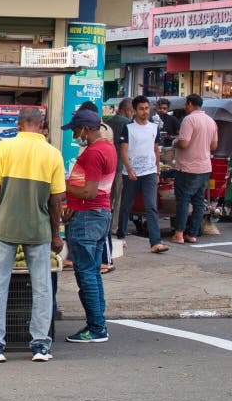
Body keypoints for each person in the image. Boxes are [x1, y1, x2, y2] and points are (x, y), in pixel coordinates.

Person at [0, 107, 65, 363]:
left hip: (5, 228)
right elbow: (56, 201)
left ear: (18, 124)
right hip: (38, 230)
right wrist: (56, 234)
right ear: (42, 124)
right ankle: (40, 346)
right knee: (42, 288)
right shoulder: (53, 154)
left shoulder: (4, 148)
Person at [62, 109, 117, 344]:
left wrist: (63, 185)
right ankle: (98, 323)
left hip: (87, 218)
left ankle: (96, 327)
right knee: (92, 272)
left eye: (75, 130)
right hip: (96, 215)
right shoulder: (108, 148)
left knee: (86, 273)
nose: (75, 135)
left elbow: (89, 191)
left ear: (85, 128)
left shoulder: (94, 153)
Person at [116, 96, 169, 254]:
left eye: (147, 108)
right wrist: (129, 168)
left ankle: (156, 242)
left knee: (151, 206)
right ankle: (120, 237)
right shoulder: (128, 128)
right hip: (131, 173)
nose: (145, 111)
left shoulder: (154, 128)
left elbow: (156, 150)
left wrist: (158, 171)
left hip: (150, 172)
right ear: (134, 110)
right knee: (126, 205)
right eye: (141, 108)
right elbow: (123, 150)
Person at [171, 94, 218, 244]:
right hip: (204, 167)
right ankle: (192, 234)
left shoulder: (189, 119)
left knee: (183, 200)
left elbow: (184, 143)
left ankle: (179, 234)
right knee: (198, 202)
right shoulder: (211, 121)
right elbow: (214, 146)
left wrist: (175, 142)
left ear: (190, 103)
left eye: (186, 104)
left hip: (188, 167)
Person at [106, 98, 134, 235]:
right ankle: (114, 227)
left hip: (108, 165)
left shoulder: (108, 122)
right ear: (128, 110)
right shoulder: (128, 124)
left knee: (107, 197)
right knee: (118, 199)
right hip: (120, 166)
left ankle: (105, 224)